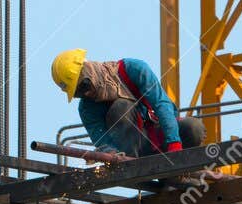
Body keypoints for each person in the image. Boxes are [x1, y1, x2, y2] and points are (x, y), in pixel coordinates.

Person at [50, 49, 206, 157]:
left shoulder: (133, 69)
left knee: (193, 128)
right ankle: (136, 166)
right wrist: (109, 153)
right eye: (78, 93)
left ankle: (173, 177)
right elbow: (103, 142)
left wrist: (174, 144)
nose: (86, 93)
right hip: (135, 154)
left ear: (88, 70)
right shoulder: (87, 109)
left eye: (84, 86)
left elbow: (162, 105)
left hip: (161, 138)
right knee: (120, 108)